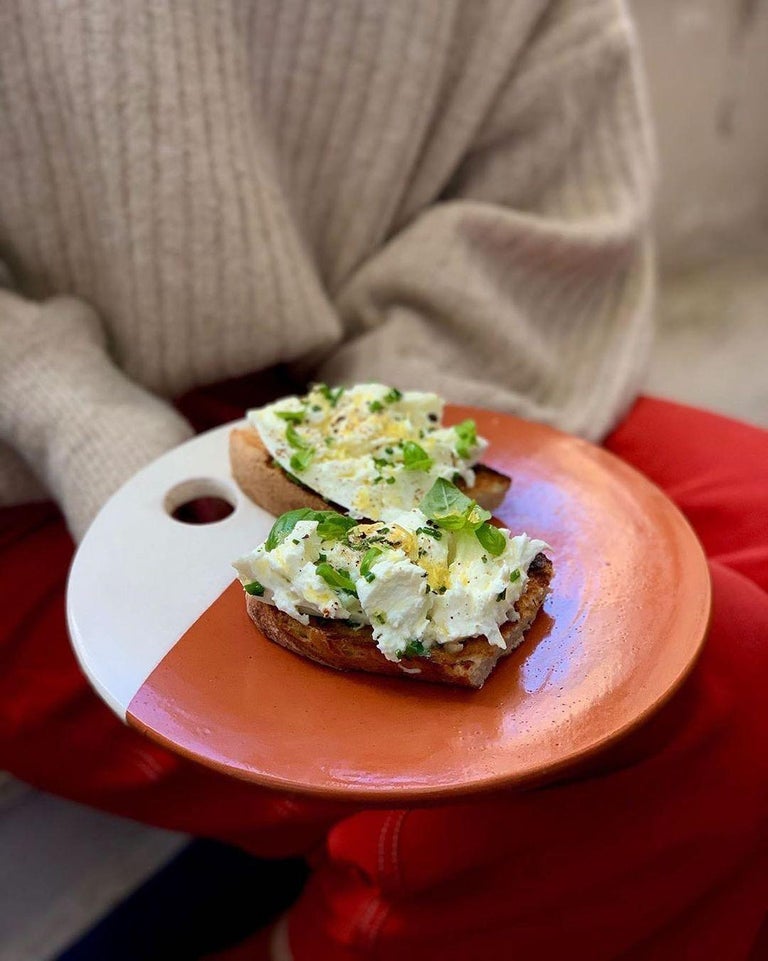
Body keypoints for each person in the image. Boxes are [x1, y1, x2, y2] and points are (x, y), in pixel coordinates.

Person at [0, 1, 765, 958]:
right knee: (717, 679)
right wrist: (74, 418)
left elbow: (551, 108)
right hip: (27, 472)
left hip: (410, 366)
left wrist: (386, 444)